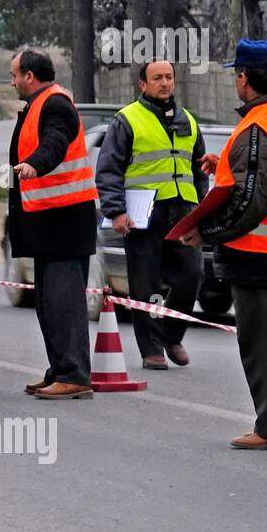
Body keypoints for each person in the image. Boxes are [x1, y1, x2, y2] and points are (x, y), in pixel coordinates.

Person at [180, 39, 267, 449]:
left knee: (264, 345)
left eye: (235, 75)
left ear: (243, 78)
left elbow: (250, 203)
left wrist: (208, 232)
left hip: (262, 255)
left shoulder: (259, 126)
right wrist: (223, 163)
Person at [96, 59, 208, 370]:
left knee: (192, 277)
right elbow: (108, 170)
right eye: (157, 78)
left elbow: (200, 168)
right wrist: (116, 211)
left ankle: (172, 335)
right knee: (145, 285)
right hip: (143, 214)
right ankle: (152, 349)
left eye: (169, 77)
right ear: (142, 85)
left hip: (183, 210)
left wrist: (201, 205)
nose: (165, 83)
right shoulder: (127, 120)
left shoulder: (189, 120)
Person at [7, 50, 99, 400]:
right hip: (49, 221)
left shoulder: (56, 104)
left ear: (30, 75)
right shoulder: (39, 104)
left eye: (14, 74)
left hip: (65, 222)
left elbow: (55, 143)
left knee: (64, 303)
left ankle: (74, 374)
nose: (12, 81)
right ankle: (59, 370)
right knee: (48, 303)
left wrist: (34, 164)